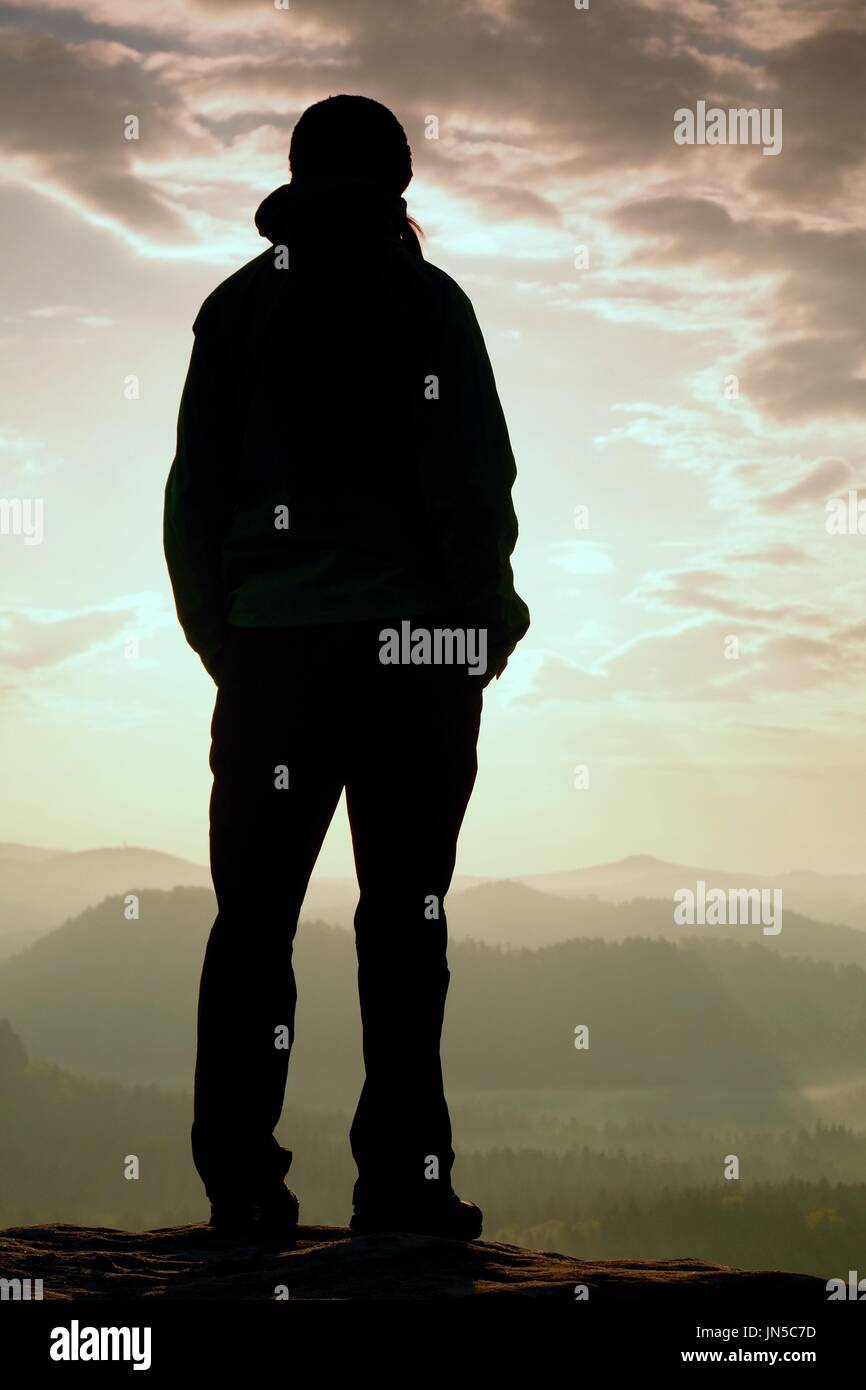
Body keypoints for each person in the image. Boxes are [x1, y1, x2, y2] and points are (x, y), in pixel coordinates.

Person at [164, 94, 529, 1242]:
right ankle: (404, 1186)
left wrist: (231, 643)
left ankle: (240, 1186)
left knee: (252, 925)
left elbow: (192, 503)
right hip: (412, 654)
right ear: (398, 187)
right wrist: (482, 630)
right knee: (404, 924)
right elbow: (475, 485)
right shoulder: (427, 305)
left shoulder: (236, 311)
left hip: (273, 654)